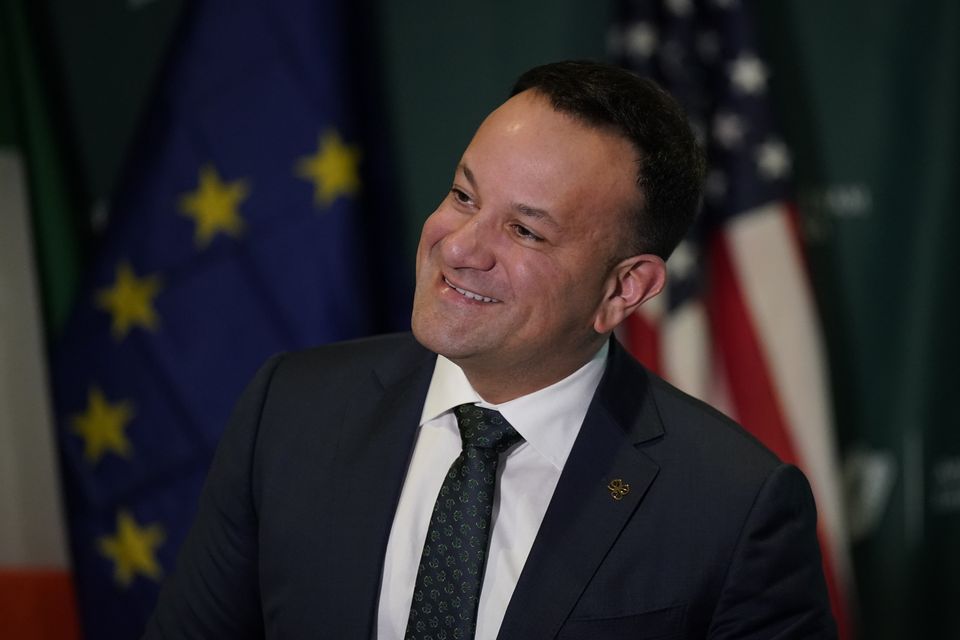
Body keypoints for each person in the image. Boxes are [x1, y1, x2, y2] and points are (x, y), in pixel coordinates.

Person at [144, 60, 836, 639]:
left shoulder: (733, 504)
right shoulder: (291, 409)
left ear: (626, 288)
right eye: (463, 195)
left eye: (526, 232)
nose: (460, 247)